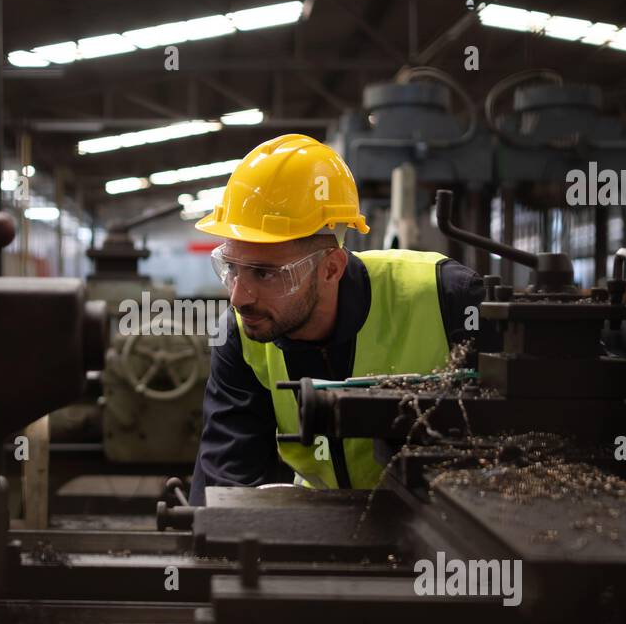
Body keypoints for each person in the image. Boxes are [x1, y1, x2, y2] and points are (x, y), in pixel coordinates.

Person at [189, 134, 488, 503]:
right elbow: (229, 481)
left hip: (441, 522)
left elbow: (511, 444)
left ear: (331, 268)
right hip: (323, 520)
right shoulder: (241, 334)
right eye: (232, 268)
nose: (239, 297)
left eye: (264, 274)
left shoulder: (448, 298)